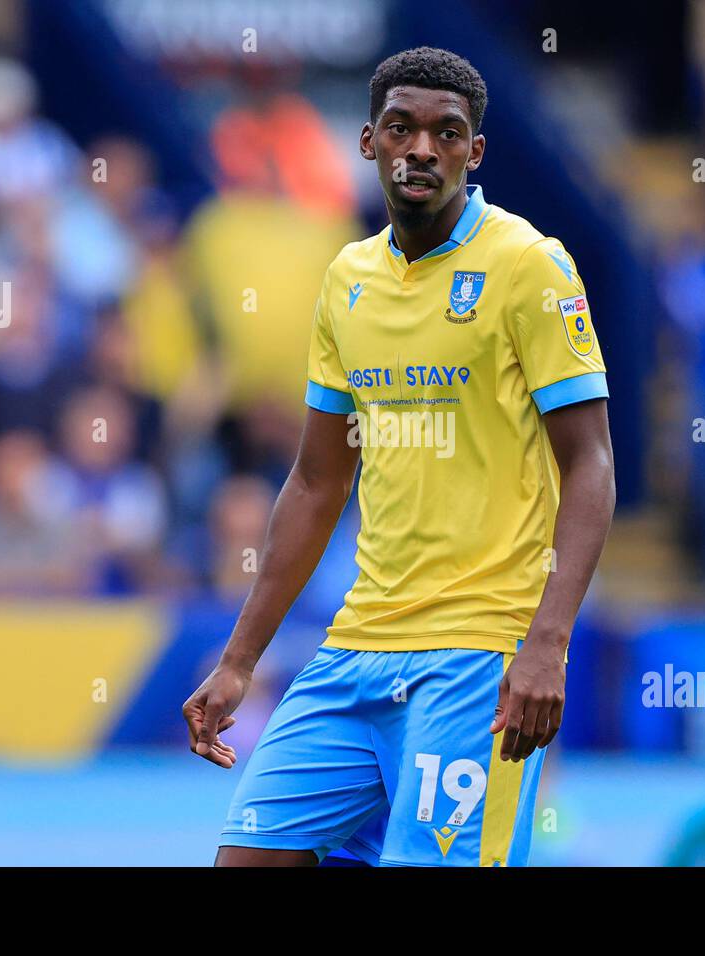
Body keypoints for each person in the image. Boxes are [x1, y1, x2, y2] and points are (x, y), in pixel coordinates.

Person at [182, 47, 615, 867]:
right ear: (368, 143)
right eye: (401, 129)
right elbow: (316, 480)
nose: (422, 149)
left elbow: (590, 464)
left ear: (473, 153)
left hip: (477, 653)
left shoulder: (529, 265)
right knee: (246, 857)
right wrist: (240, 659)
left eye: (446, 134)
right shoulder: (347, 280)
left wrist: (548, 643)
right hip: (358, 644)